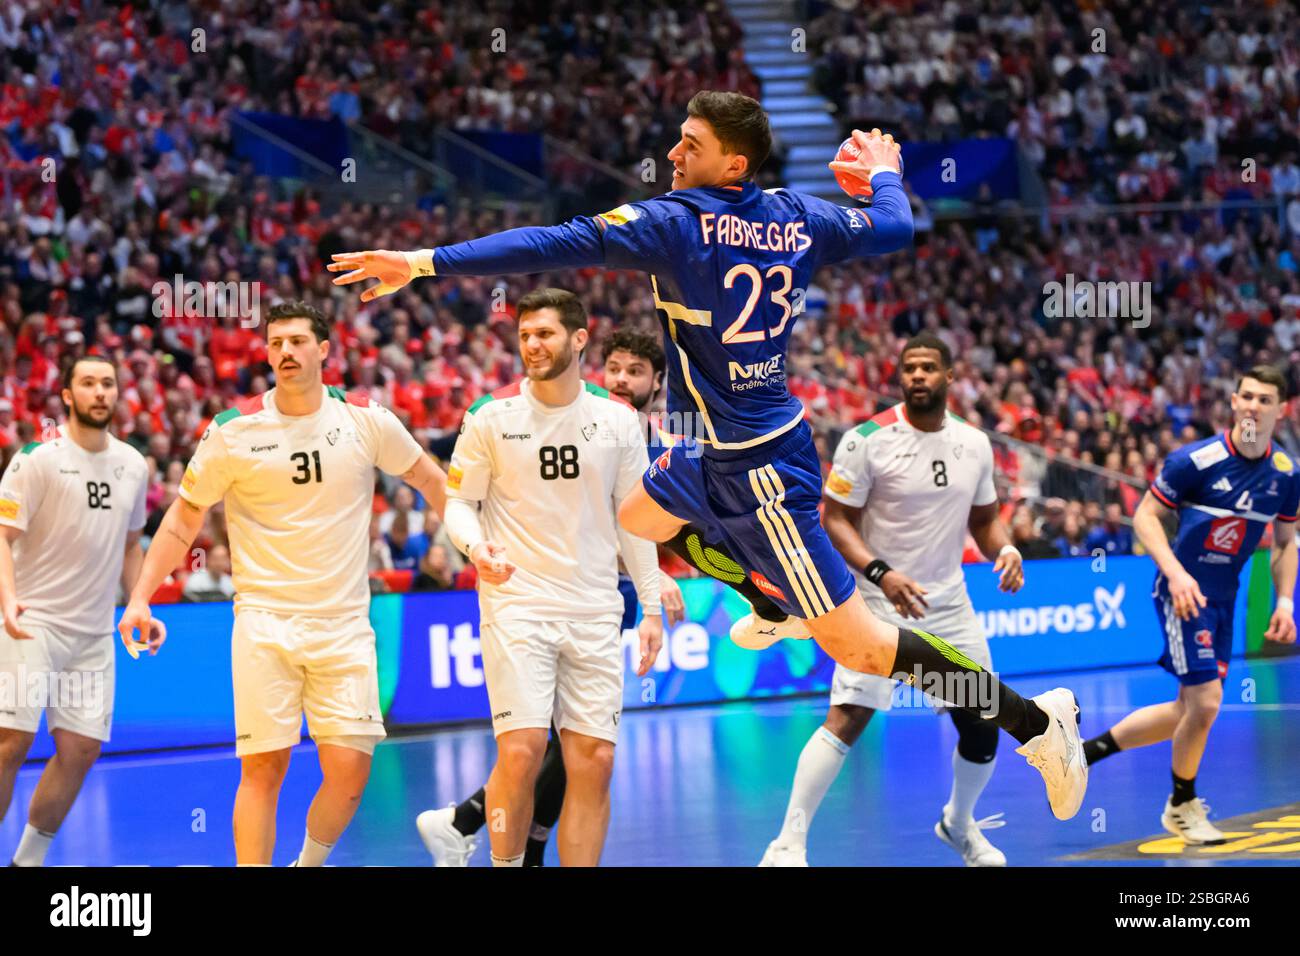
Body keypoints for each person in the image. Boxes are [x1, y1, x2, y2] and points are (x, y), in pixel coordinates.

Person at [330, 90, 1087, 819]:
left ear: (732, 166)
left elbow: (551, 243)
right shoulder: (798, 216)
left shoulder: (673, 222)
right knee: (636, 514)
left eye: (690, 145)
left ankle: (1034, 725)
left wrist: (423, 261)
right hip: (703, 450)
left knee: (861, 647)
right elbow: (894, 227)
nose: (672, 152)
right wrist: (886, 172)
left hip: (760, 468)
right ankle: (773, 599)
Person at [118, 301, 448, 866]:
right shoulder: (233, 430)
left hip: (344, 625)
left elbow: (429, 479)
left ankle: (307, 863)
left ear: (324, 350)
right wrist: (140, 597)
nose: (285, 353)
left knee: (349, 774)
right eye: (275, 344)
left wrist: (476, 542)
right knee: (263, 767)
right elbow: (183, 517)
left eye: (297, 342)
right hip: (265, 622)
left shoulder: (366, 419)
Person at [416, 324, 688, 867]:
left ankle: (471, 823)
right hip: (539, 598)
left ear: (658, 383)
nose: (622, 380)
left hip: (606, 599)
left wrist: (652, 581)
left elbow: (631, 523)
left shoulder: (652, 440)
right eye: (615, 368)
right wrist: (654, 575)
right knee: (541, 744)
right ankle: (489, 832)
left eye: (636, 372)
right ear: (595, 364)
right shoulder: (553, 417)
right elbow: (559, 522)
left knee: (580, 748)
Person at [762, 334, 1024, 867]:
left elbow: (984, 521)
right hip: (877, 604)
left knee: (981, 719)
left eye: (929, 367)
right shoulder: (866, 439)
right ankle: (786, 845)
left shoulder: (975, 443)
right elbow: (833, 518)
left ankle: (958, 823)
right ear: (899, 376)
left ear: (950, 376)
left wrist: (1007, 547)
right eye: (910, 368)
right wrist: (883, 574)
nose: (919, 376)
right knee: (849, 715)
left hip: (948, 606)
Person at [1082, 366, 1298, 844]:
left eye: (1264, 400)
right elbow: (1145, 517)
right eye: (1246, 396)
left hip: (1226, 598)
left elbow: (1285, 542)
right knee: (1206, 702)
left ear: (1281, 410)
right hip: (1182, 593)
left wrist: (1284, 601)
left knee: (1190, 710)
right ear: (1233, 401)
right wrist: (1176, 574)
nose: (1252, 407)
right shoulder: (1194, 461)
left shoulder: (1286, 474)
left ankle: (1083, 753)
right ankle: (1182, 805)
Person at [0, 356, 159, 866]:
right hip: (32, 624)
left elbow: (132, 545)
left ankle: (28, 860)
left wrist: (139, 603)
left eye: (107, 384)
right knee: (10, 742)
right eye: (87, 383)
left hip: (92, 636)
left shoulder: (134, 465)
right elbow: (2, 536)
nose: (99, 392)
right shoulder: (37, 459)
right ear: (67, 396)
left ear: (118, 394)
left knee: (81, 750)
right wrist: (7, 600)